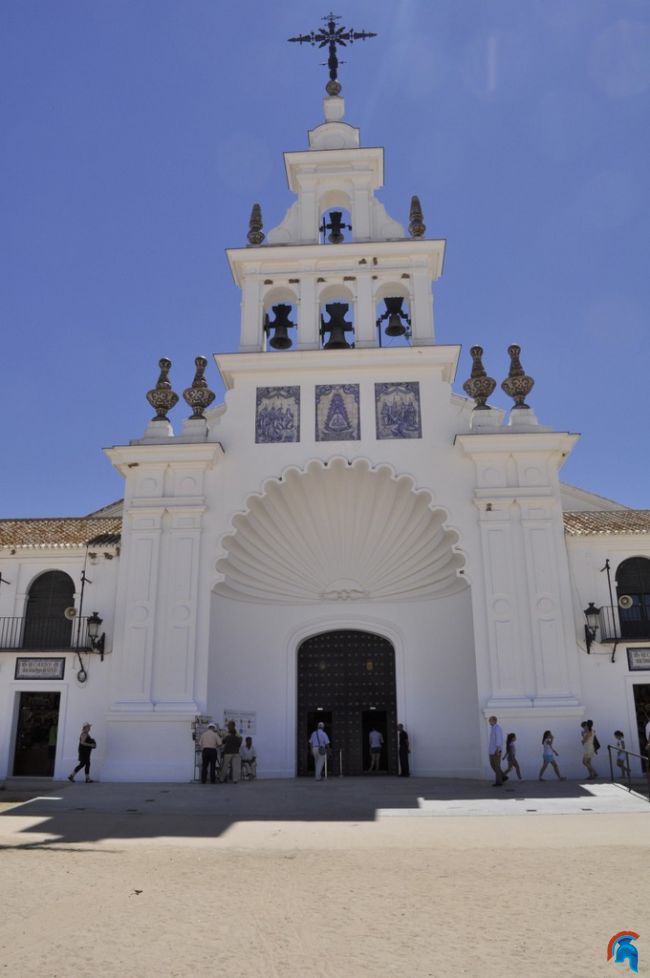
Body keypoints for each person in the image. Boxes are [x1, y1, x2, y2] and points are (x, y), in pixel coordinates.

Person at [488, 716, 507, 787]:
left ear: (495, 721)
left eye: (490, 720)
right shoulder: (493, 728)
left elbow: (499, 739)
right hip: (492, 751)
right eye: (489, 720)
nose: (489, 722)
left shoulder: (497, 728)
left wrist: (498, 750)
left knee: (497, 766)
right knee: (493, 765)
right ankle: (503, 776)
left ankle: (499, 782)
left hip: (496, 751)